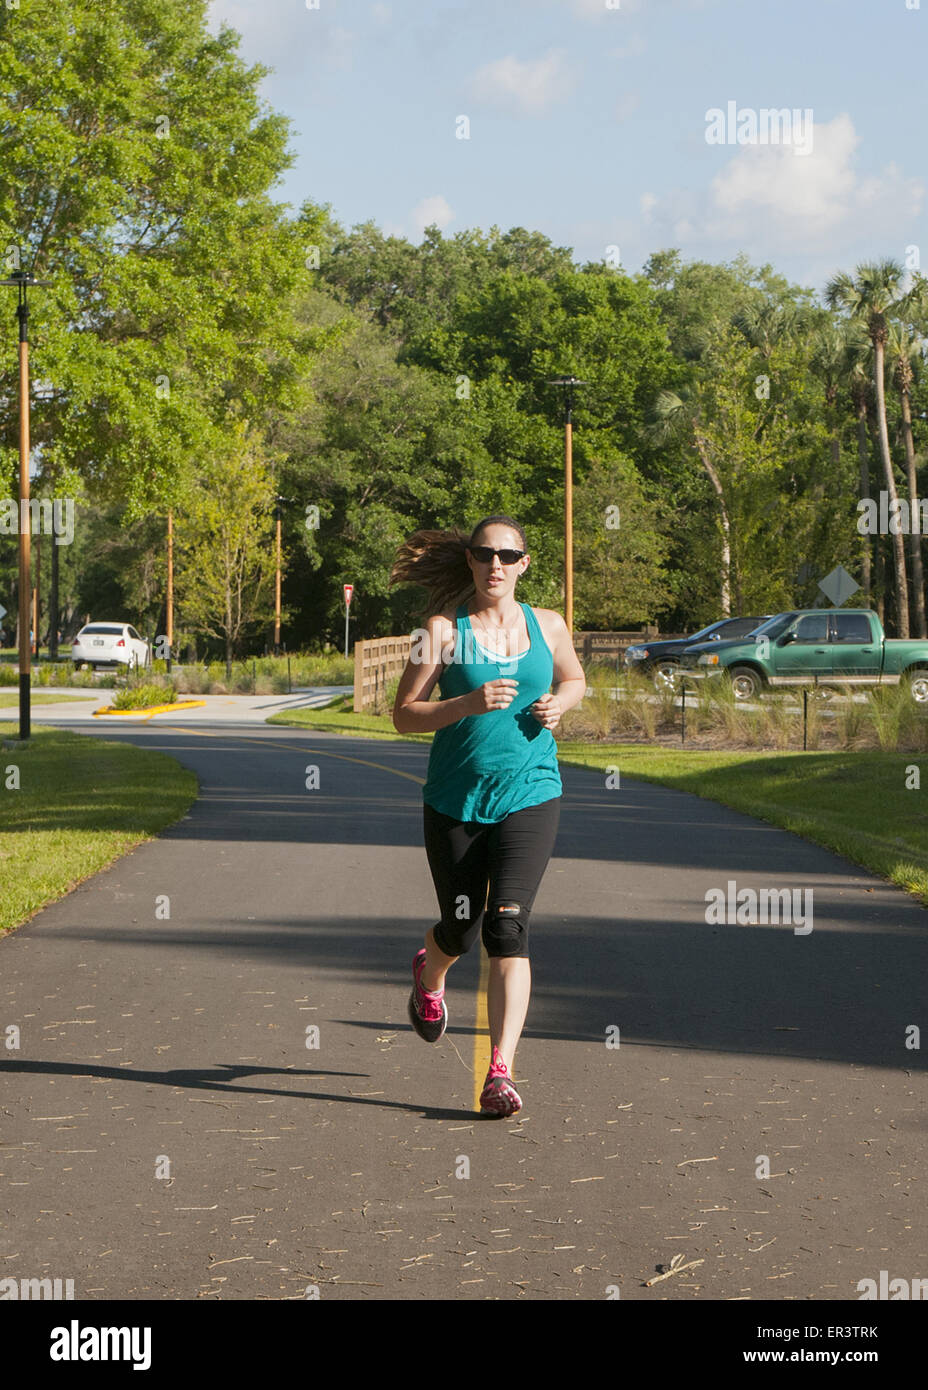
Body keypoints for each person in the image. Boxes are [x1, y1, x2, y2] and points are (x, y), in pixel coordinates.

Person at [390, 515, 586, 1116]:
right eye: (484, 554)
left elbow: (575, 677)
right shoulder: (441, 632)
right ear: (471, 562)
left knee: (508, 927)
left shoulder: (548, 624)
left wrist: (561, 703)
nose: (495, 564)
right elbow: (402, 714)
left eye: (507, 555)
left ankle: (500, 1072)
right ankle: (431, 971)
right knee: (462, 929)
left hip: (531, 791)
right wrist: (467, 703)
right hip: (455, 801)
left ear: (525, 563)